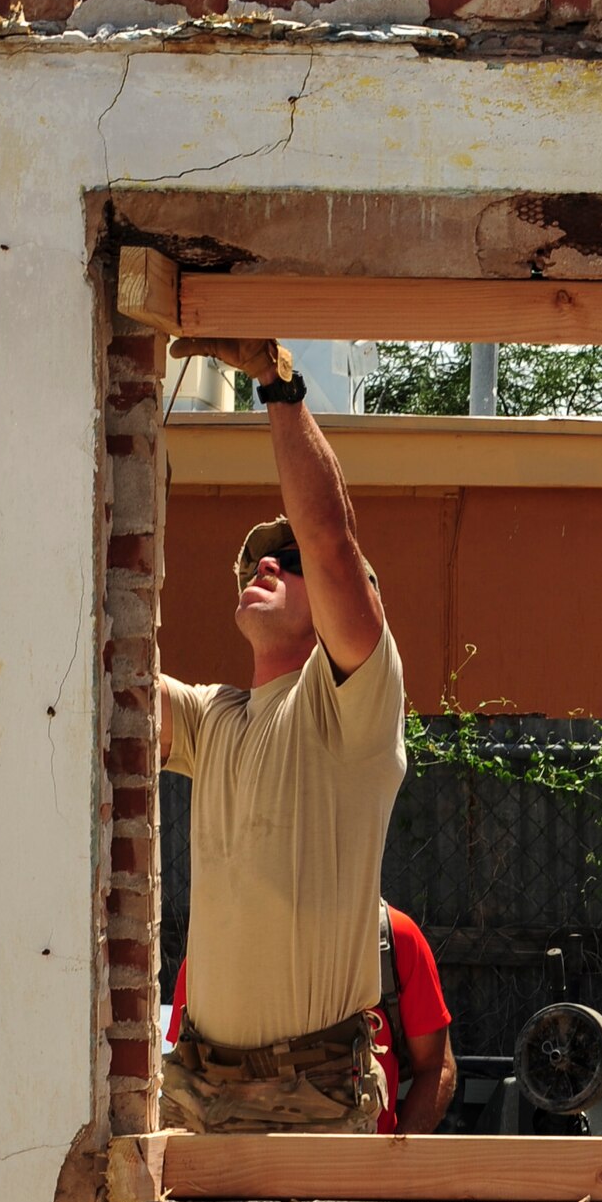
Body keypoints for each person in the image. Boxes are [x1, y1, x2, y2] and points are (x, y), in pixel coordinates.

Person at [156, 336, 407, 1135]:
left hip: (313, 1097)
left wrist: (277, 382)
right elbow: (102, 671)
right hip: (196, 1088)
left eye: (287, 560)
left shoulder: (352, 705)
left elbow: (332, 536)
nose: (269, 564)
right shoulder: (214, 718)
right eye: (259, 561)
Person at [165, 900, 457, 1135]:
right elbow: (185, 1073)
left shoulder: (393, 939)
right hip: (236, 1184)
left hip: (363, 1183)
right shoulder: (215, 956)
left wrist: (396, 1164)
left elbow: (436, 1067)